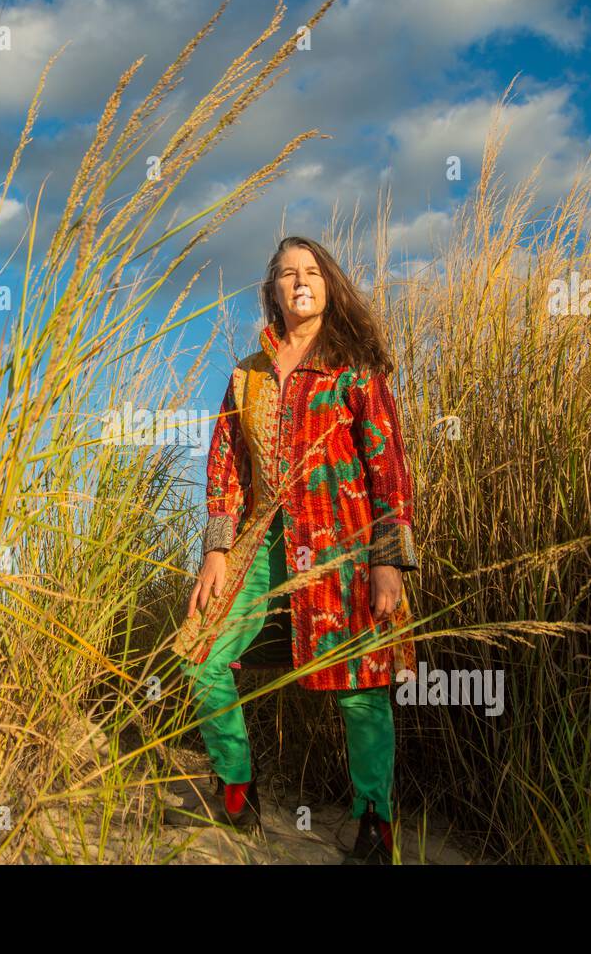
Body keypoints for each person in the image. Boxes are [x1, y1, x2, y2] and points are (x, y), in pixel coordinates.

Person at [171, 235, 420, 864]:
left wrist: (388, 558)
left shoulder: (354, 367)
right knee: (201, 650)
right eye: (286, 273)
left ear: (328, 284)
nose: (299, 281)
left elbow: (388, 468)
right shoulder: (246, 373)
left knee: (362, 683)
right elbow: (224, 465)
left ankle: (374, 821)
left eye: (311, 271)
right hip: (260, 543)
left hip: (343, 543)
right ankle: (236, 787)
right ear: (273, 289)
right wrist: (215, 550)